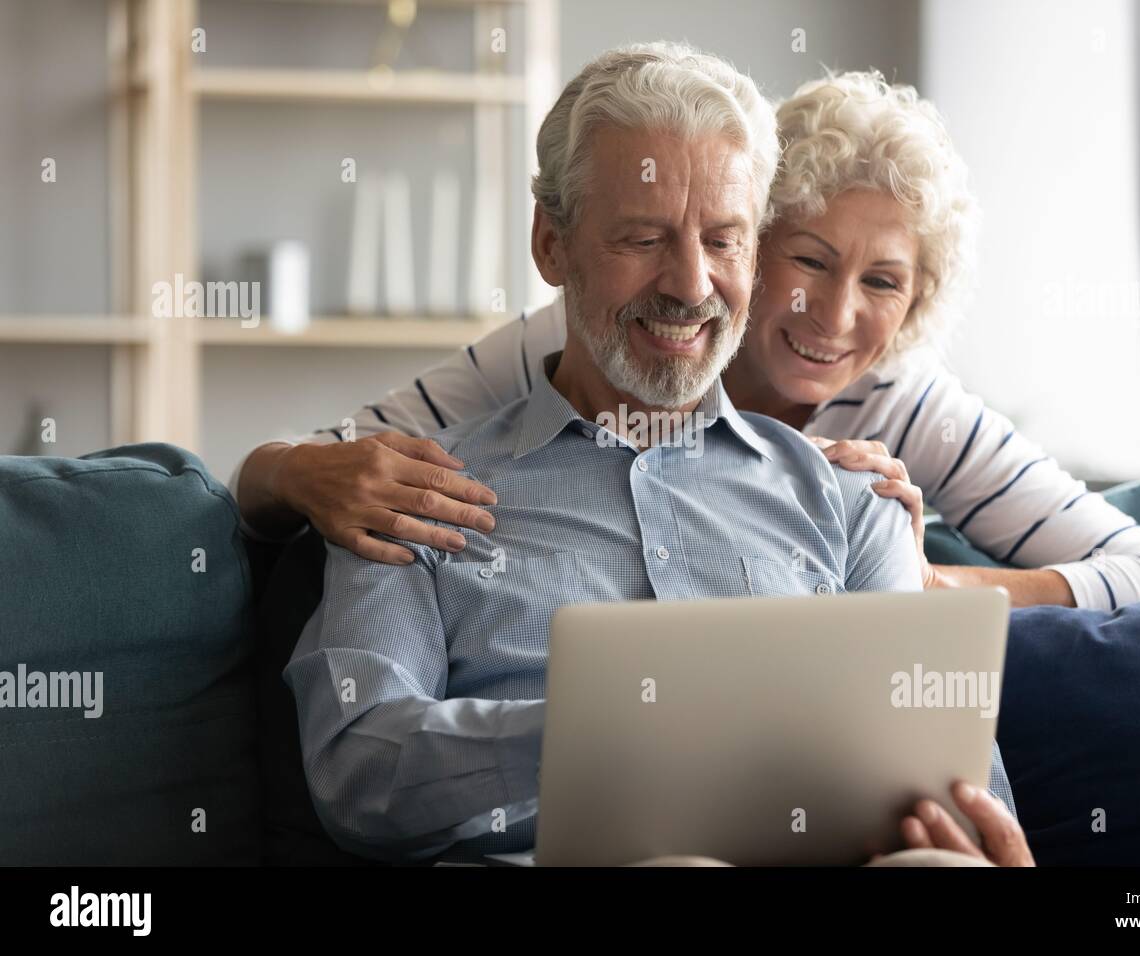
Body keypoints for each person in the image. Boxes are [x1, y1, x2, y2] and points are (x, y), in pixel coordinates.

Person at [284, 42, 1030, 866]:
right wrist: (594, 731)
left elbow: (958, 787)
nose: (689, 284)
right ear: (551, 245)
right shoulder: (411, 494)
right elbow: (357, 770)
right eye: (643, 238)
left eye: (724, 240)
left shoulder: (850, 504)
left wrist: (977, 843)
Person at [232, 70, 1140, 612]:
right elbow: (315, 462)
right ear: (751, 240)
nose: (836, 317)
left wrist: (922, 579)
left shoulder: (905, 401)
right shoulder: (592, 338)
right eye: (809, 260)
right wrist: (289, 472)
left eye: (883, 282)